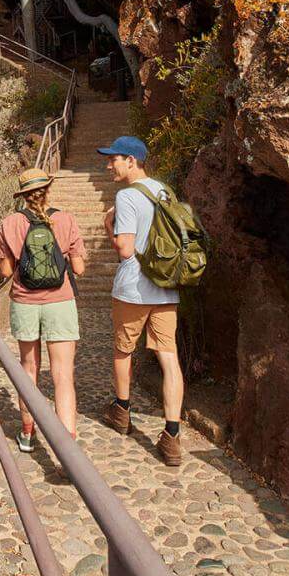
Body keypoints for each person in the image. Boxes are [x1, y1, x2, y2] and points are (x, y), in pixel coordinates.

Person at [96, 135, 185, 467]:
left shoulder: (127, 196)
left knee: (123, 350)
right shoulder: (165, 192)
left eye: (114, 159)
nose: (109, 165)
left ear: (131, 160)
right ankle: (172, 436)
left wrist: (109, 225)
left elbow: (125, 249)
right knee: (169, 358)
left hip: (134, 287)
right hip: (165, 287)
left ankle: (122, 411)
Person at [0, 168, 87, 453]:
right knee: (63, 375)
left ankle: (27, 433)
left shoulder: (10, 223)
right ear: (48, 190)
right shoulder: (66, 219)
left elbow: (6, 271)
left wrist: (0, 251)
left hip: (25, 302)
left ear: (23, 195)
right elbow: (79, 268)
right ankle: (67, 448)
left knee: (29, 369)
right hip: (61, 302)